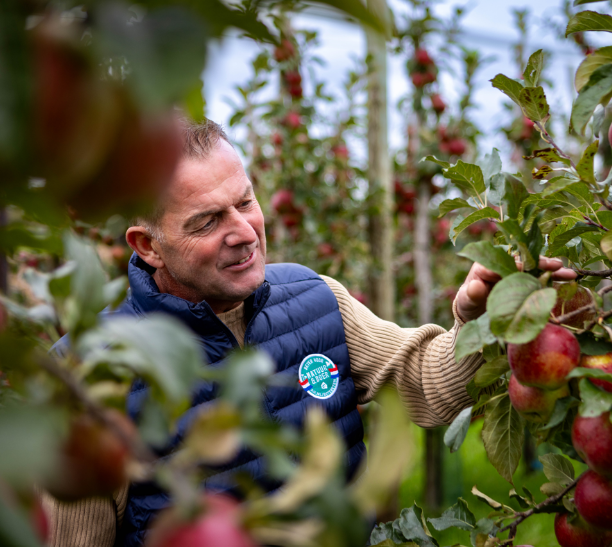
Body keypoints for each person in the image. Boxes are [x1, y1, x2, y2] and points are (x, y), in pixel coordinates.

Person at [41, 119, 576, 547]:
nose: (244, 232)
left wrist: (478, 321)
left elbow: (426, 385)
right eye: (207, 221)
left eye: (245, 202)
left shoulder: (316, 298)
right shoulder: (91, 377)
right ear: (147, 245)